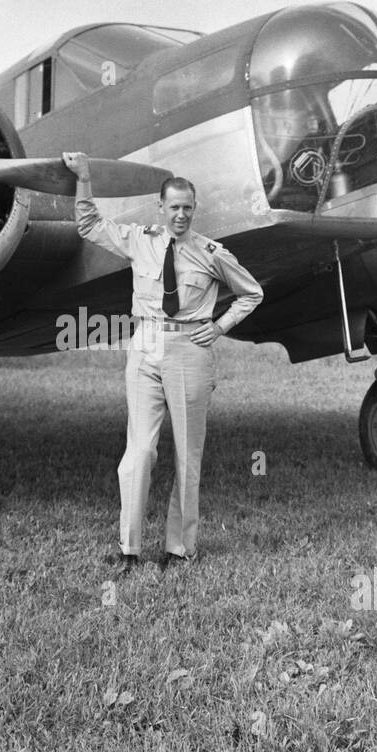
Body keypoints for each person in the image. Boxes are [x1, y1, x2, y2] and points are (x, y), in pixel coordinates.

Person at [65, 152, 264, 572]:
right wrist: (84, 179)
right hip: (145, 347)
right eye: (173, 207)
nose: (180, 215)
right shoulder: (142, 239)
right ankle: (129, 549)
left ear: (195, 209)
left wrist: (222, 325)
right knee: (138, 452)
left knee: (187, 454)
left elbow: (252, 292)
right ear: (161, 207)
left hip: (190, 351)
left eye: (187, 208)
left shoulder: (211, 252)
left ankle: (179, 549)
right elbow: (89, 226)